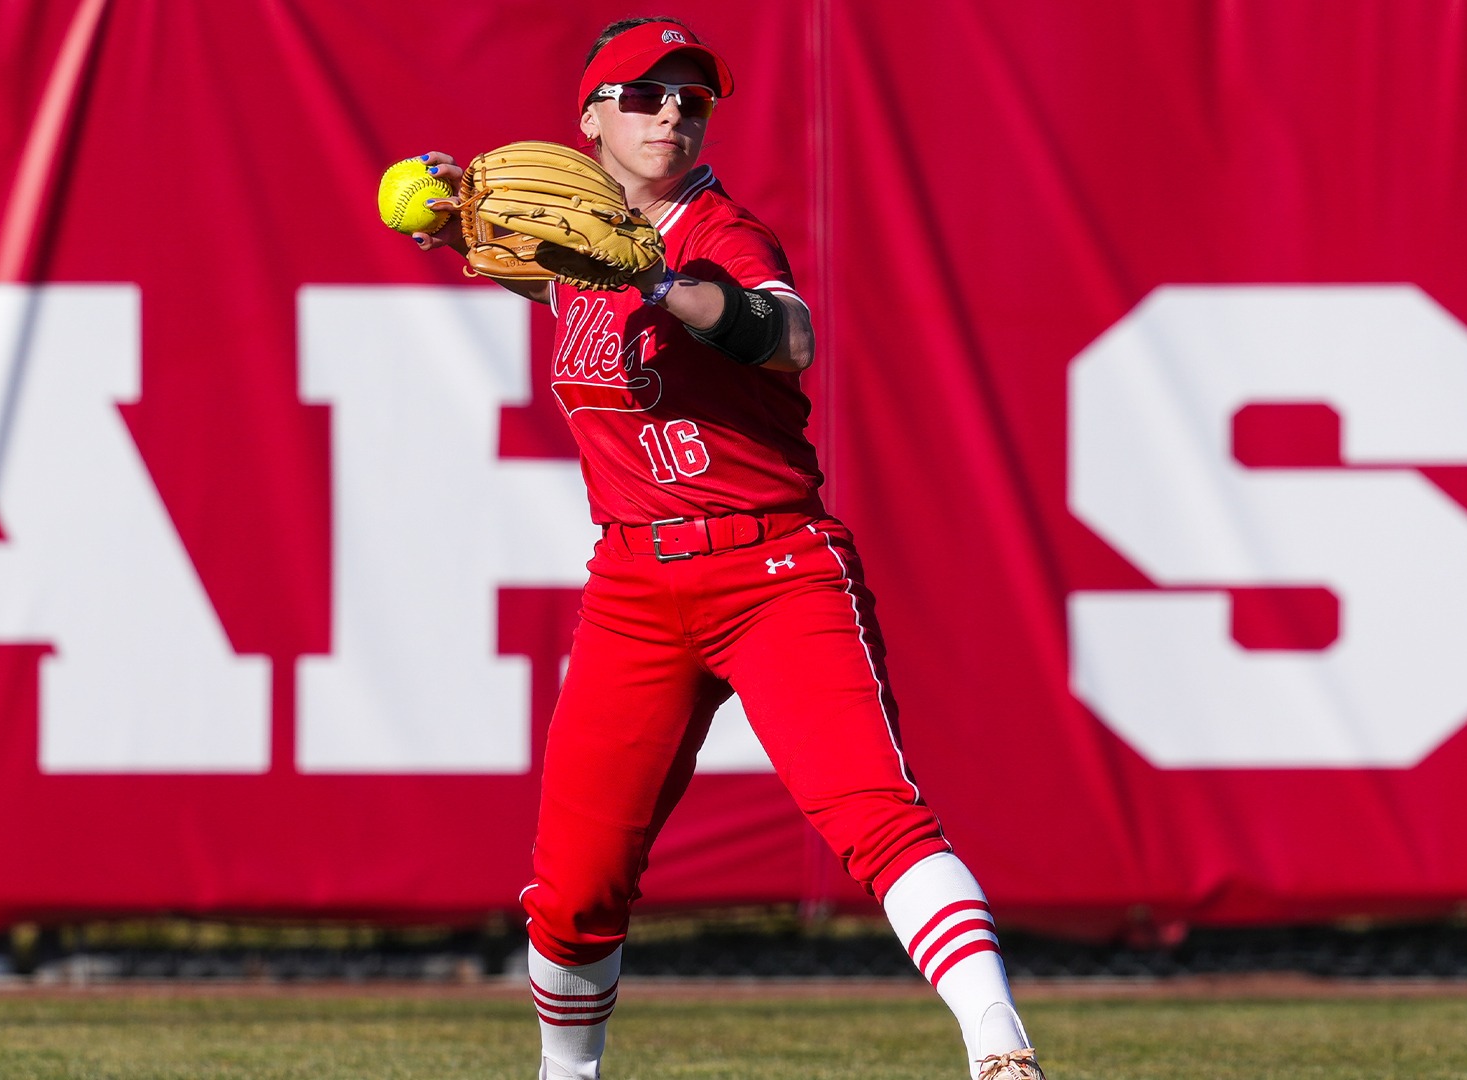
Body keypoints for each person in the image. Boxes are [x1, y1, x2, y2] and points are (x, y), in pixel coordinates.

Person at [416, 17, 1048, 1080]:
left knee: (874, 817)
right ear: (589, 122)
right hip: (634, 584)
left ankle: (1001, 1052)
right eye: (645, 94)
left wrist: (663, 280)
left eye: (691, 98)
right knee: (573, 884)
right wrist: (455, 223)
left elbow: (784, 332)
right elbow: (560, 275)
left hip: (773, 571)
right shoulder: (574, 245)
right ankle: (565, 1075)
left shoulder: (720, 234)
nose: (671, 111)